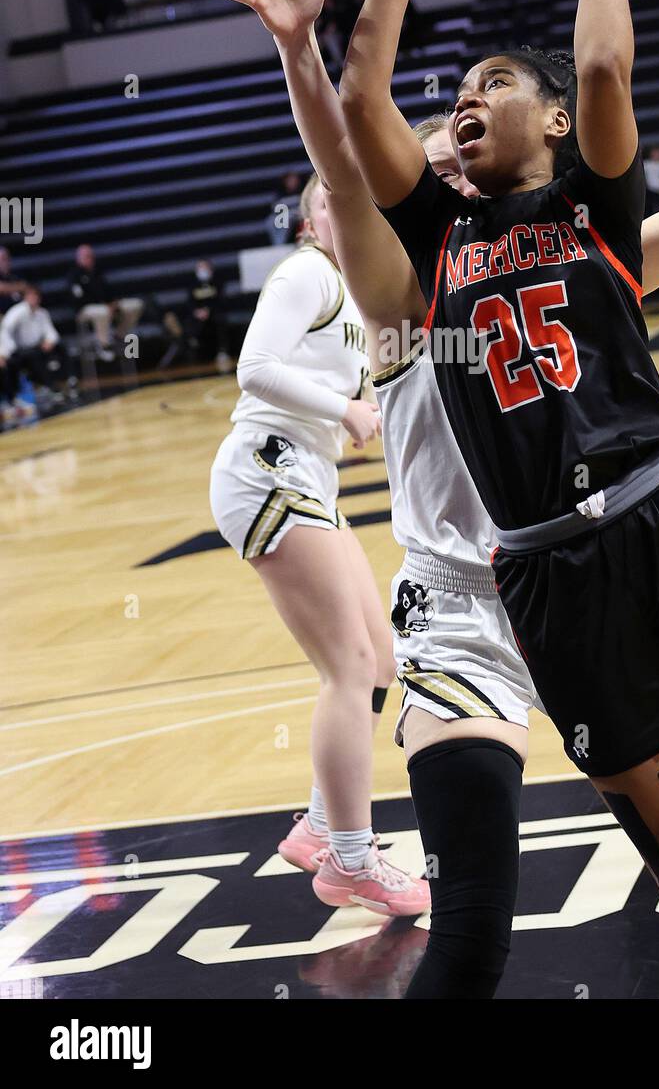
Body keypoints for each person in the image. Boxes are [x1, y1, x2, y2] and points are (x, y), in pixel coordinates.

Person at [223, 0, 659, 998]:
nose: (457, 131)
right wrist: (304, 45)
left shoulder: (579, 239)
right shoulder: (403, 292)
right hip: (492, 602)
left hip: (632, 553)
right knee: (486, 927)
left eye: (480, 107)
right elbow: (341, 141)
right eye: (445, 124)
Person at [209, 170, 429, 918]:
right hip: (266, 470)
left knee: (381, 658)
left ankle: (318, 823)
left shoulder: (358, 291)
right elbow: (255, 369)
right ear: (311, 219)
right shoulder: (307, 272)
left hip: (301, 477)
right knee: (350, 666)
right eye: (328, 200)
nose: (341, 209)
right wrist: (346, 410)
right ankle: (351, 860)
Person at [0, 283, 76, 408]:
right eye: (30, 296)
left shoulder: (42, 313)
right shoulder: (17, 312)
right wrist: (5, 352)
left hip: (37, 346)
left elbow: (51, 332)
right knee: (31, 358)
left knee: (61, 347)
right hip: (19, 349)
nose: (33, 299)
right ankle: (48, 386)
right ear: (25, 297)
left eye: (35, 296)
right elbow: (5, 331)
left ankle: (70, 379)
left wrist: (49, 341)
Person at [66, 244, 142, 359]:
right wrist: (105, 305)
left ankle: (119, 335)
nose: (89, 258)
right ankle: (103, 345)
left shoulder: (98, 272)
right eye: (86, 256)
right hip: (84, 309)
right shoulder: (74, 276)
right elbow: (78, 299)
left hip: (106, 305)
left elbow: (108, 291)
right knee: (103, 311)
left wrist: (113, 302)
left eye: (91, 256)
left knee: (136, 304)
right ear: (78, 258)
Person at [266, 169, 306, 246]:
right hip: (286, 217)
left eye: (294, 180)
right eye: (290, 181)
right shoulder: (280, 195)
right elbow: (276, 209)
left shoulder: (303, 191)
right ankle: (280, 243)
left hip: (302, 215)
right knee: (272, 221)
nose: (292, 182)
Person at [0, 247, 24, 316]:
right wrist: (18, 287)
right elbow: (1, 288)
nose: (6, 262)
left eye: (7, 258)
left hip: (17, 313)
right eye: (3, 259)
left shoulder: (15, 275)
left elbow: (26, 286)